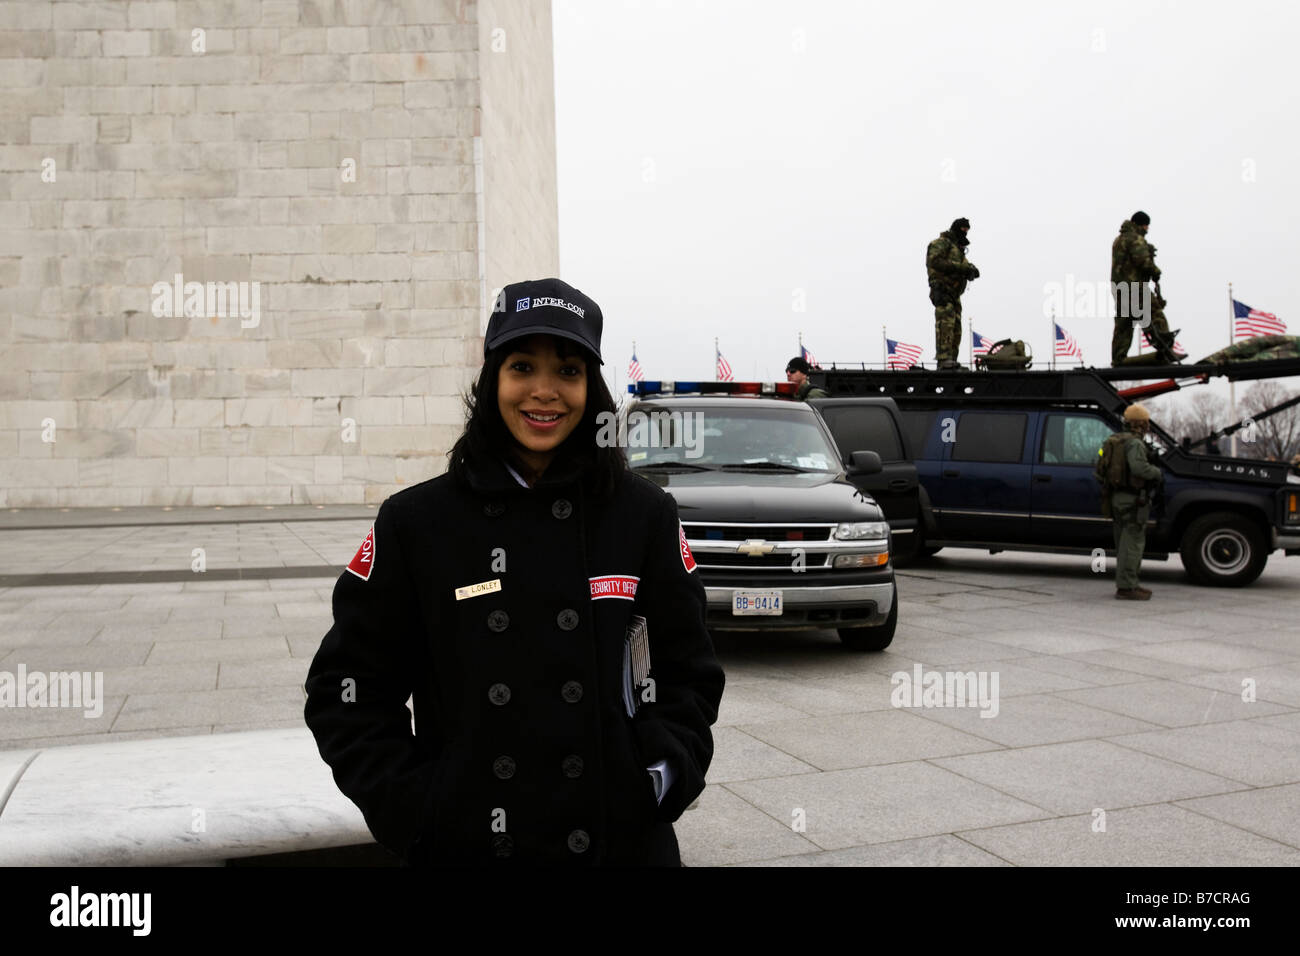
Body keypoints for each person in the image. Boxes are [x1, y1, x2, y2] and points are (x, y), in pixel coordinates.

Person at [304, 277, 726, 866]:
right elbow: (346, 691)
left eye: (569, 371)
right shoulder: (416, 521)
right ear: (492, 379)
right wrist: (417, 808)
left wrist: (659, 771)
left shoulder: (644, 514)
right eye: (523, 366)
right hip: (469, 848)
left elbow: (689, 672)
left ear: (591, 388)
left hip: (617, 843)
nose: (545, 393)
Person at [1097, 403, 1164, 599]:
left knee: (1123, 543)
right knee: (1133, 544)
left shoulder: (1112, 440)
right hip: (1133, 500)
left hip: (1116, 498)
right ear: (1141, 424)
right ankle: (1127, 587)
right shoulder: (1135, 444)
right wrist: (1157, 473)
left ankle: (1127, 584)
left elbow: (1100, 462)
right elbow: (1139, 469)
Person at [1111, 211, 1178, 364]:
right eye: (1146, 225)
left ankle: (1118, 358)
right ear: (1140, 224)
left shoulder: (1118, 240)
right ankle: (1165, 347)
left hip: (1120, 289)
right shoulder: (1135, 239)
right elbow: (1143, 262)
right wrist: (1156, 271)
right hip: (1136, 288)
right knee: (1156, 314)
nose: (1147, 229)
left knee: (1124, 324)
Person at [926, 218, 979, 370]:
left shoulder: (958, 249)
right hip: (942, 289)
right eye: (962, 229)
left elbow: (962, 267)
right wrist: (962, 269)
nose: (965, 233)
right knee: (945, 324)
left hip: (955, 294)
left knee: (956, 328)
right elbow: (935, 261)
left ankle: (951, 361)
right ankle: (943, 360)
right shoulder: (941, 243)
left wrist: (971, 271)